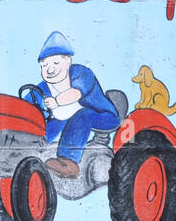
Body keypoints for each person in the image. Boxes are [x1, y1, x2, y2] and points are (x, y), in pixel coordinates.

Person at [31, 31, 119, 179]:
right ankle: (37, 147)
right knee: (54, 119)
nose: (50, 69)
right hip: (72, 116)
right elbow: (29, 102)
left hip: (102, 115)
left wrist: (57, 101)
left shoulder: (81, 73)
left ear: (67, 61)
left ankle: (69, 162)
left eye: (55, 63)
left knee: (82, 115)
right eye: (44, 65)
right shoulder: (45, 85)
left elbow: (76, 93)